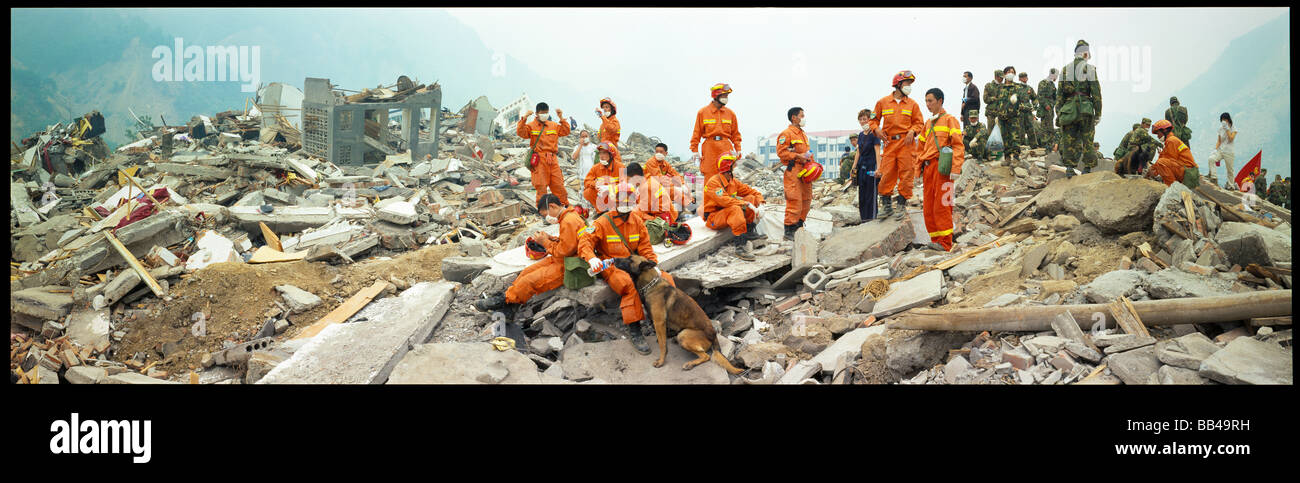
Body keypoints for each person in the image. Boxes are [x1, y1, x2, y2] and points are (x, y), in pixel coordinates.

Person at [578, 183, 678, 355]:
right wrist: (592, 258)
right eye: (621, 197)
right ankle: (635, 328)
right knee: (626, 285)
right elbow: (585, 241)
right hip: (612, 265)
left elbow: (645, 247)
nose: (625, 201)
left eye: (628, 198)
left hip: (633, 263)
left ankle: (668, 321)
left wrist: (652, 265)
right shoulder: (602, 222)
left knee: (666, 280)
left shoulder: (637, 221)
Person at [474, 194, 586, 313]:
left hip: (570, 265)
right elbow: (569, 242)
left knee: (529, 281)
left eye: (545, 215)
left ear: (552, 206)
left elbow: (564, 251)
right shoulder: (568, 216)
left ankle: (503, 301)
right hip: (564, 259)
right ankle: (511, 302)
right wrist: (551, 238)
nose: (546, 218)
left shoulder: (568, 221)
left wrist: (545, 242)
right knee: (526, 272)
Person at [869, 70, 925, 220]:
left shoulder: (913, 105)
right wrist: (877, 129)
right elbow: (873, 121)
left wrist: (912, 131)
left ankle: (901, 204)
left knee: (907, 174)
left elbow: (919, 123)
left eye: (910, 84)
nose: (909, 86)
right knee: (887, 174)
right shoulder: (883, 102)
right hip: (889, 144)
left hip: (907, 145)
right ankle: (886, 206)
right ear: (898, 84)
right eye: (907, 83)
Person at [916, 88, 966, 251]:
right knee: (929, 207)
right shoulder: (928, 123)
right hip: (929, 169)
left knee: (943, 205)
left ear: (940, 101)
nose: (927, 104)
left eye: (930, 101)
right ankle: (935, 240)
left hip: (943, 169)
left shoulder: (950, 120)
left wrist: (956, 168)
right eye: (926, 101)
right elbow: (920, 148)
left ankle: (945, 243)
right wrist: (918, 170)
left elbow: (958, 145)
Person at [703, 154, 765, 261]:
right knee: (736, 208)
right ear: (728, 168)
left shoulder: (733, 181)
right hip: (714, 218)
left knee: (750, 198)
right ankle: (740, 246)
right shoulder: (714, 182)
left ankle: (749, 231)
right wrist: (745, 204)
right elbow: (725, 201)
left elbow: (752, 192)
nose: (735, 167)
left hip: (726, 213)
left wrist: (761, 203)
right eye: (733, 166)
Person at [1057, 39, 1102, 177]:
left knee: (1069, 138)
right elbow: (1096, 93)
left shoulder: (1065, 70)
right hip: (1085, 109)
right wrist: (1098, 112)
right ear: (1085, 53)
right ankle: (1087, 168)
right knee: (1087, 138)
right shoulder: (1090, 69)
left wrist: (1059, 113)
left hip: (1068, 109)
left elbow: (1060, 95)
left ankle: (1070, 167)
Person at [517, 102, 571, 205]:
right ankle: (542, 210)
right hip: (539, 160)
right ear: (537, 113)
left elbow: (566, 131)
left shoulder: (553, 125)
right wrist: (524, 117)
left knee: (558, 185)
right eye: (542, 113)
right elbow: (520, 133)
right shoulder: (531, 126)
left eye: (546, 113)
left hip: (553, 159)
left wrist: (561, 117)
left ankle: (564, 206)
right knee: (541, 187)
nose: (544, 115)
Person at [689, 83, 742, 183]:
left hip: (726, 146)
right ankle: (709, 198)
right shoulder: (703, 112)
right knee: (709, 174)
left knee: (726, 173)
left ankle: (726, 198)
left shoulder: (730, 114)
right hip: (710, 147)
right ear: (716, 96)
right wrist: (694, 150)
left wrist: (738, 148)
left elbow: (735, 134)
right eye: (724, 96)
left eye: (727, 96)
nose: (726, 98)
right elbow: (697, 133)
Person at [777, 107, 815, 238]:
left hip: (805, 170)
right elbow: (782, 153)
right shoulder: (786, 134)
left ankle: (799, 225)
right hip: (794, 170)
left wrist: (813, 166)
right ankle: (789, 229)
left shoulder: (802, 134)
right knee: (795, 199)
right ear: (794, 117)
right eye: (801, 116)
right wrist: (799, 156)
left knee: (807, 198)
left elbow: (807, 152)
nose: (803, 118)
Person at [1145, 119, 1198, 187]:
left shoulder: (1171, 141)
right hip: (1186, 171)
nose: (1158, 136)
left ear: (1164, 130)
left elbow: (1165, 161)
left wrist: (1152, 171)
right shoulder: (1170, 141)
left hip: (1188, 173)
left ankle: (1172, 188)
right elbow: (1167, 159)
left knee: (1161, 162)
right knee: (1161, 162)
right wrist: (1152, 171)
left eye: (1158, 133)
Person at [851, 108, 882, 222]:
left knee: (871, 194)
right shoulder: (860, 135)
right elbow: (858, 152)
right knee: (862, 194)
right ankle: (863, 218)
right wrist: (854, 166)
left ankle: (871, 218)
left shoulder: (874, 134)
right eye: (860, 119)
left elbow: (878, 152)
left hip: (871, 167)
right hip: (861, 168)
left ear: (869, 120)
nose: (862, 121)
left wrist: (879, 168)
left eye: (865, 119)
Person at [583, 141, 624, 210]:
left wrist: (610, 188)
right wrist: (595, 184)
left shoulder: (621, 167)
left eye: (604, 153)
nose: (601, 156)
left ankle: (617, 211)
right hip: (602, 196)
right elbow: (586, 182)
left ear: (611, 154)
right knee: (587, 192)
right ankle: (600, 211)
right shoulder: (595, 168)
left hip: (615, 197)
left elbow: (626, 185)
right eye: (600, 153)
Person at [999, 66, 1028, 161]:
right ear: (1004, 74)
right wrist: (997, 115)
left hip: (1014, 117)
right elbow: (996, 102)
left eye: (1012, 72)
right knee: (1005, 138)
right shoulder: (1000, 87)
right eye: (1008, 72)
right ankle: (1007, 157)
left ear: (1014, 74)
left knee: (1015, 137)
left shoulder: (1018, 87)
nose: (1010, 74)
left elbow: (1024, 100)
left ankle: (1016, 157)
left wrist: (1017, 97)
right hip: (1002, 117)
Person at [1208, 112, 1237, 188]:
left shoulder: (1233, 128)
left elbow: (1231, 139)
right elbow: (1219, 141)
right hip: (1221, 150)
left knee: (1230, 170)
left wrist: (1227, 129)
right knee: (1211, 159)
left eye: (1225, 120)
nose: (1223, 121)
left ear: (1228, 120)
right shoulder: (1220, 128)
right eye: (1222, 120)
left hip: (1229, 152)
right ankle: (1214, 178)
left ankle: (1231, 185)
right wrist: (1215, 149)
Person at [1017, 71, 1040, 150]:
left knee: (1030, 127)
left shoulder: (1029, 88)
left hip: (1028, 111)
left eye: (1025, 77)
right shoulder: (1017, 88)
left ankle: (1034, 145)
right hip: (1020, 111)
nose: (1024, 78)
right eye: (1022, 77)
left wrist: (1035, 105)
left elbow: (1035, 98)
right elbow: (1013, 99)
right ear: (1019, 79)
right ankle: (1021, 145)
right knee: (1020, 128)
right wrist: (1019, 106)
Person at [1037, 68, 1059, 147]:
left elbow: (1055, 97)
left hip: (1050, 108)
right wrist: (1046, 105)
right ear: (1052, 74)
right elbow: (1040, 96)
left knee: (1050, 126)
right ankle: (1044, 143)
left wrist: (1052, 104)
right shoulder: (1043, 83)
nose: (1056, 77)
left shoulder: (1052, 84)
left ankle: (1049, 143)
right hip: (1044, 109)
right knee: (1044, 126)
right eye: (1056, 75)